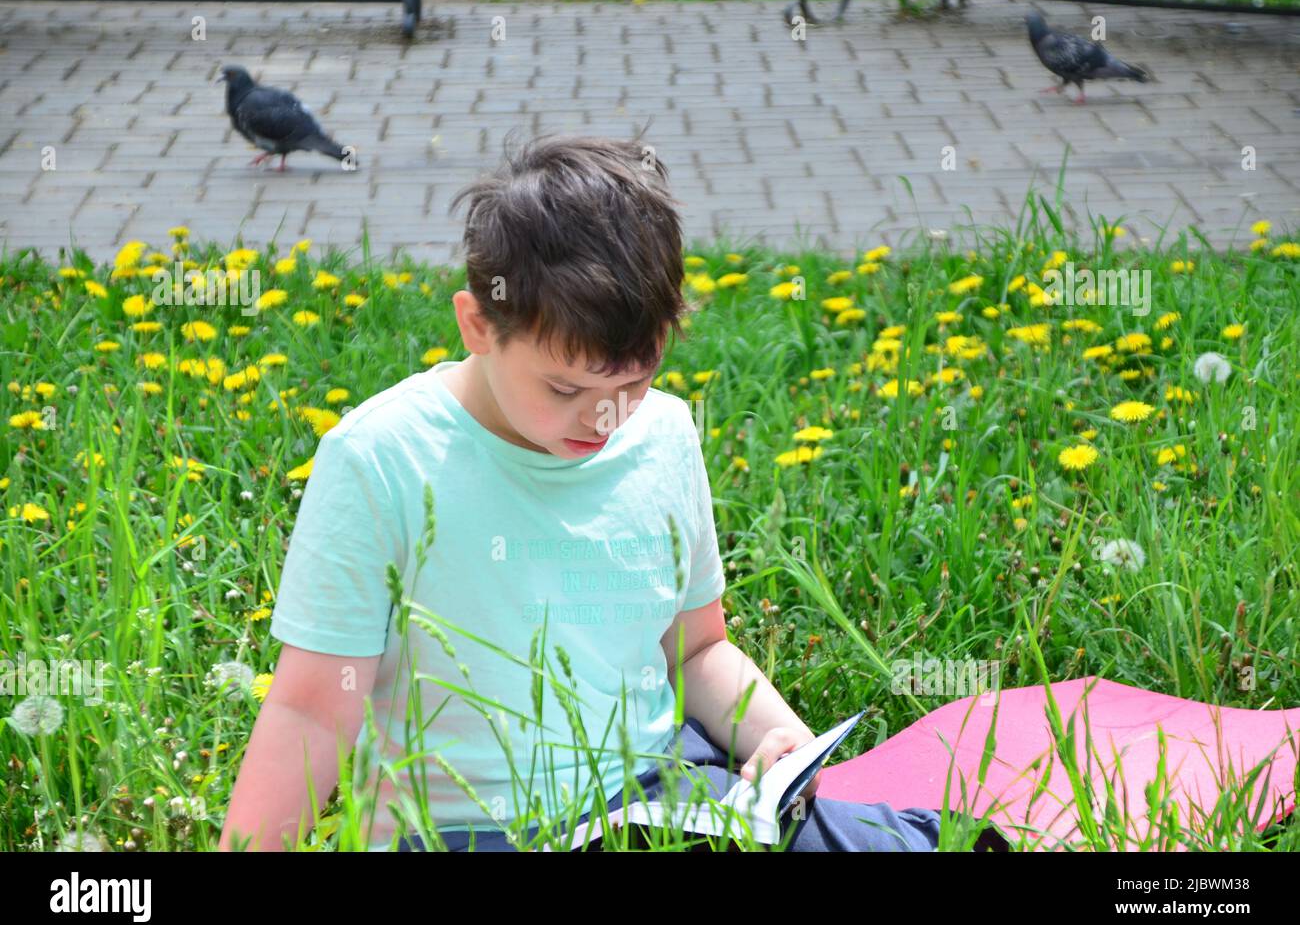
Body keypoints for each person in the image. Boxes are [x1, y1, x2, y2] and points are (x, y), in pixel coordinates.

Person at [219, 131, 986, 853]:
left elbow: (695, 649)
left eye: (634, 381)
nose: (606, 416)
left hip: (660, 791)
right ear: (478, 324)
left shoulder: (664, 434)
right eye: (565, 387)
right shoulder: (380, 459)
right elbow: (312, 707)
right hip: (469, 828)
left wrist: (775, 736)